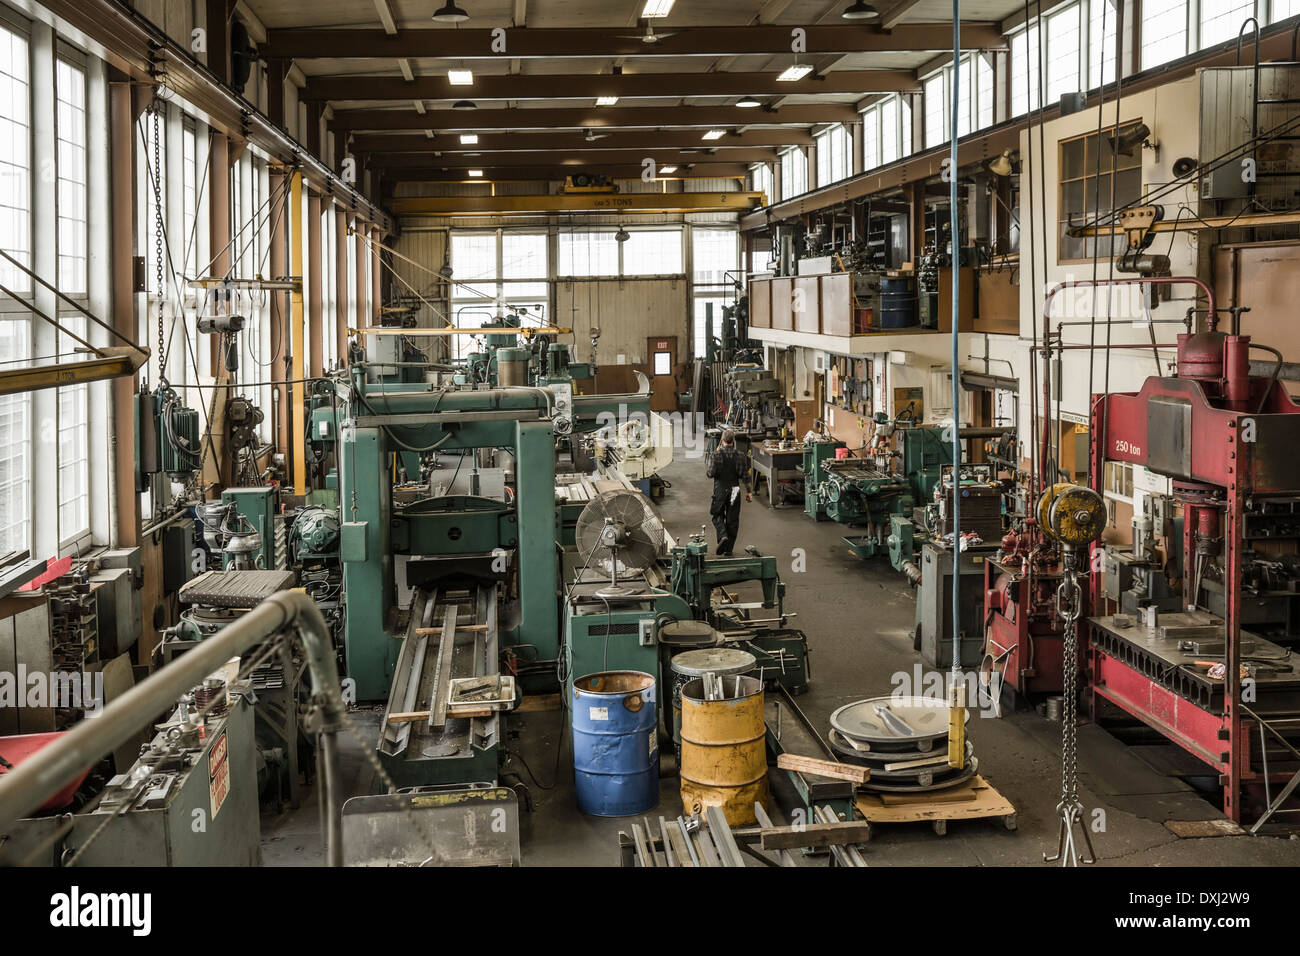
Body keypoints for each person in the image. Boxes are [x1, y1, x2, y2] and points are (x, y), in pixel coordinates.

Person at [706, 429, 750, 556]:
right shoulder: (741, 456)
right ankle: (728, 549)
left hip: (720, 489)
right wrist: (749, 492)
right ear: (734, 441)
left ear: (722, 440)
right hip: (735, 491)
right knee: (732, 520)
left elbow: (710, 474)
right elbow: (745, 476)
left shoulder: (716, 455)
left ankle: (723, 536)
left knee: (717, 514)